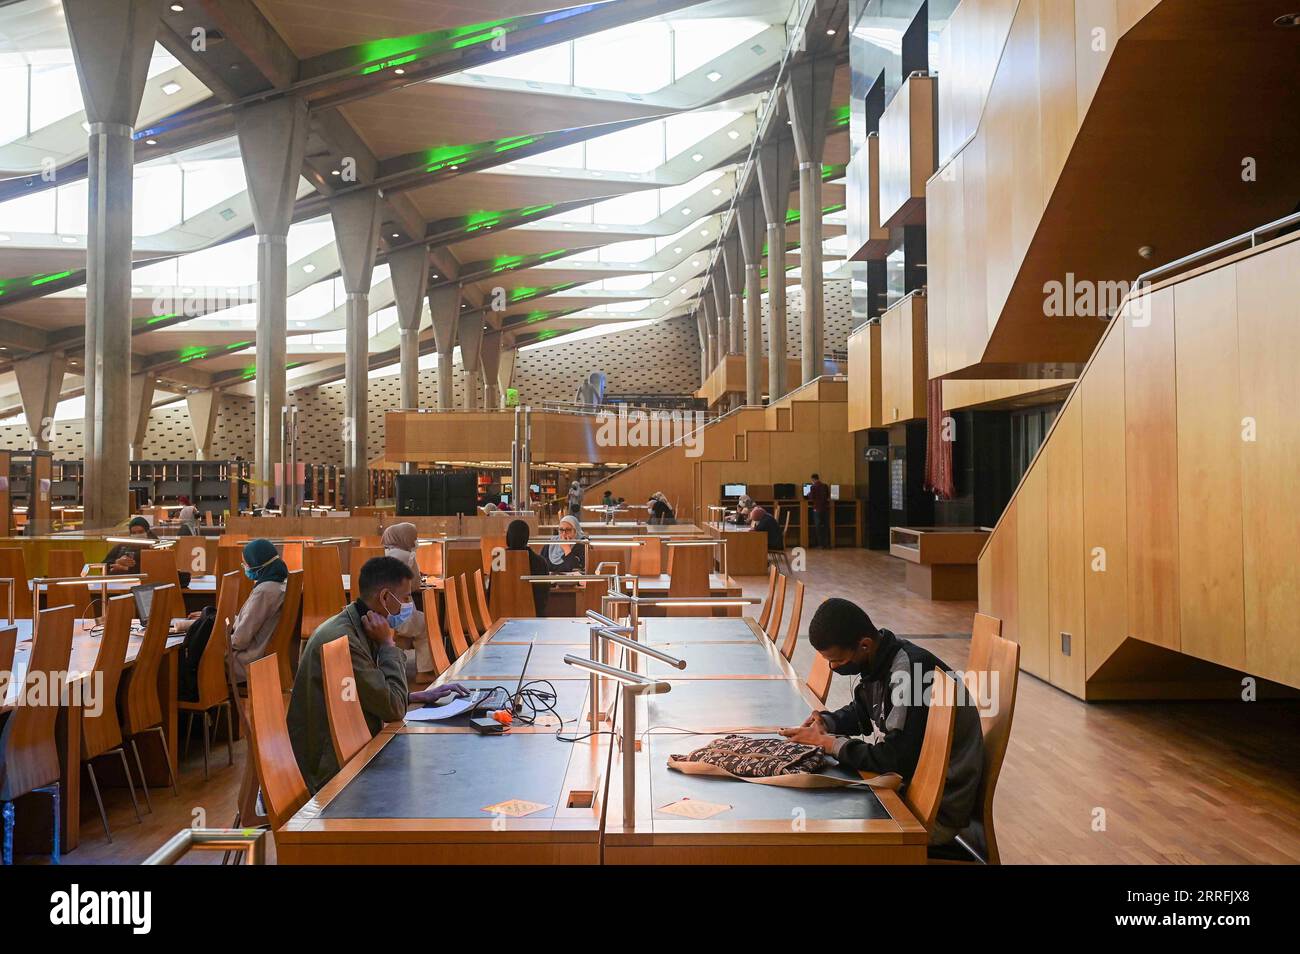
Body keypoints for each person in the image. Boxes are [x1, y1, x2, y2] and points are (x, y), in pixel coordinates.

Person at [780, 598, 984, 846]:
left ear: (864, 645)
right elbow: (863, 711)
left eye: (837, 661)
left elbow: (895, 761)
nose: (832, 668)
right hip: (911, 792)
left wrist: (831, 744)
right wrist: (827, 722)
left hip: (931, 812)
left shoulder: (911, 672)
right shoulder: (880, 659)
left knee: (817, 831)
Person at [288, 556, 469, 793]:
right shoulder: (345, 640)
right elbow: (392, 709)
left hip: (346, 745)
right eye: (405, 598)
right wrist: (388, 646)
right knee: (434, 783)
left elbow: (368, 692)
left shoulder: (356, 624)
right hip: (332, 769)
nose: (409, 605)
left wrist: (414, 696)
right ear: (384, 597)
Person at [228, 539, 288, 682]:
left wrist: (215, 640)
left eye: (246, 564)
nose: (244, 567)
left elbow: (239, 641)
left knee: (202, 652)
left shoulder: (264, 592)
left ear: (258, 565)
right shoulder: (280, 585)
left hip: (250, 659)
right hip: (265, 654)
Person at [381, 522, 433, 674]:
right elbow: (415, 585)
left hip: (377, 616)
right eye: (414, 537)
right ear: (405, 538)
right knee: (426, 625)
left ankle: (394, 666)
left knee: (407, 632)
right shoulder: (408, 557)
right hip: (400, 615)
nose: (415, 541)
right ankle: (425, 671)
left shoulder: (383, 555)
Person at [506, 518, 549, 615]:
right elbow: (544, 596)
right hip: (534, 618)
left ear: (508, 537)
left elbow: (491, 593)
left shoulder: (499, 561)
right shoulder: (540, 562)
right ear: (527, 537)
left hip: (500, 616)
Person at [806, 473, 830, 548]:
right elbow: (827, 496)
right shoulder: (825, 486)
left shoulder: (813, 486)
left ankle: (820, 544)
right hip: (825, 508)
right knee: (826, 526)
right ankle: (827, 543)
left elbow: (811, 497)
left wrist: (808, 494)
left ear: (813, 479)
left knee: (818, 526)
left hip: (817, 508)